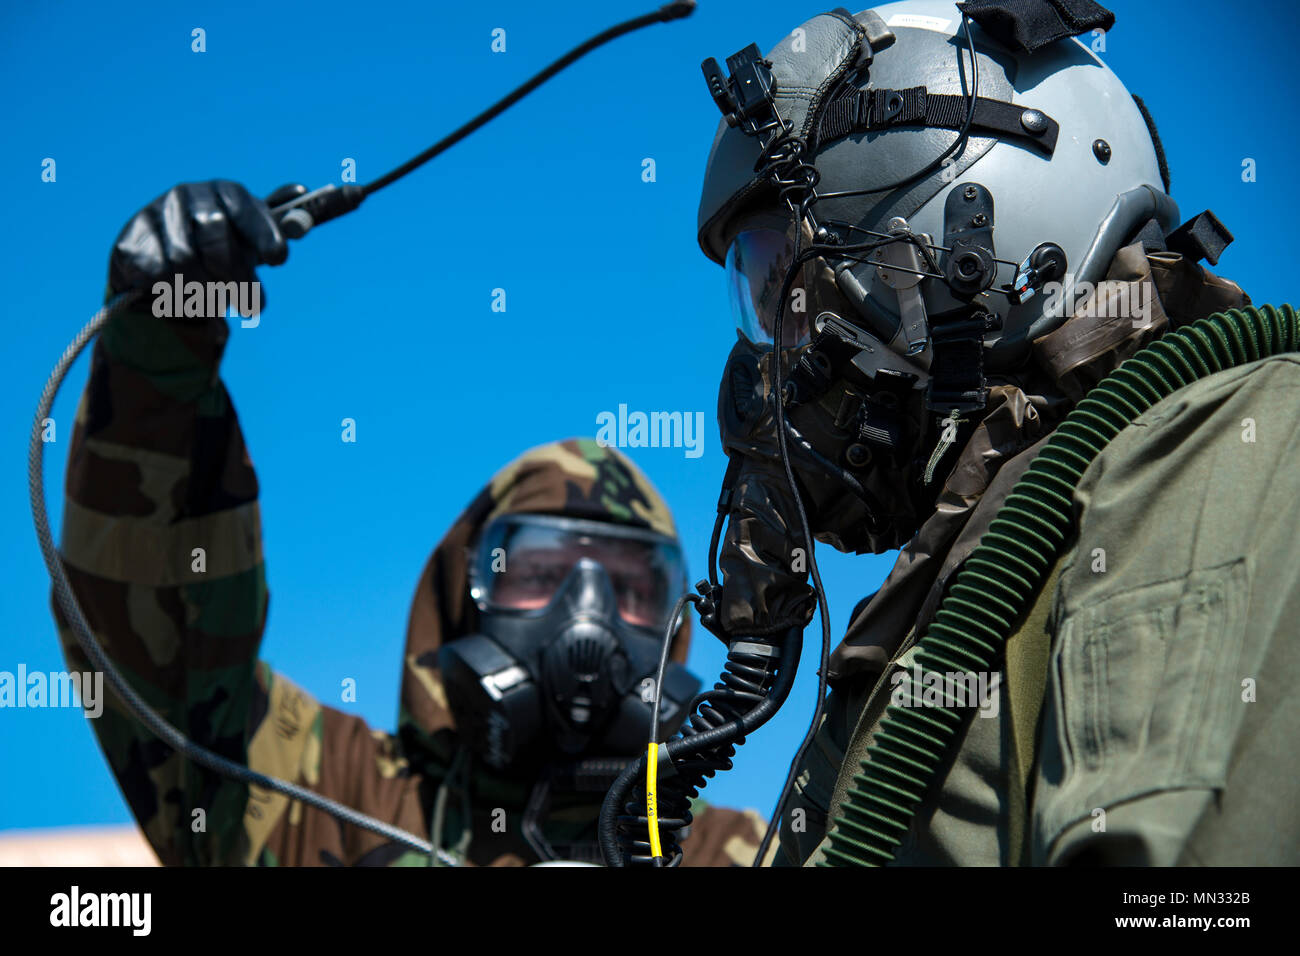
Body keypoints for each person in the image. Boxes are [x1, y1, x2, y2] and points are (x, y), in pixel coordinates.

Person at [693, 0, 1298, 865]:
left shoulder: (1215, 449)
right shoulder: (970, 563)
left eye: (786, 293)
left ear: (960, 237)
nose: (774, 364)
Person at [52, 180, 765, 866]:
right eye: (541, 574)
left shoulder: (748, 857)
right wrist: (159, 355)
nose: (589, 621)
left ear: (678, 630)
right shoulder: (329, 801)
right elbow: (160, 666)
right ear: (462, 598)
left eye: (634, 589)